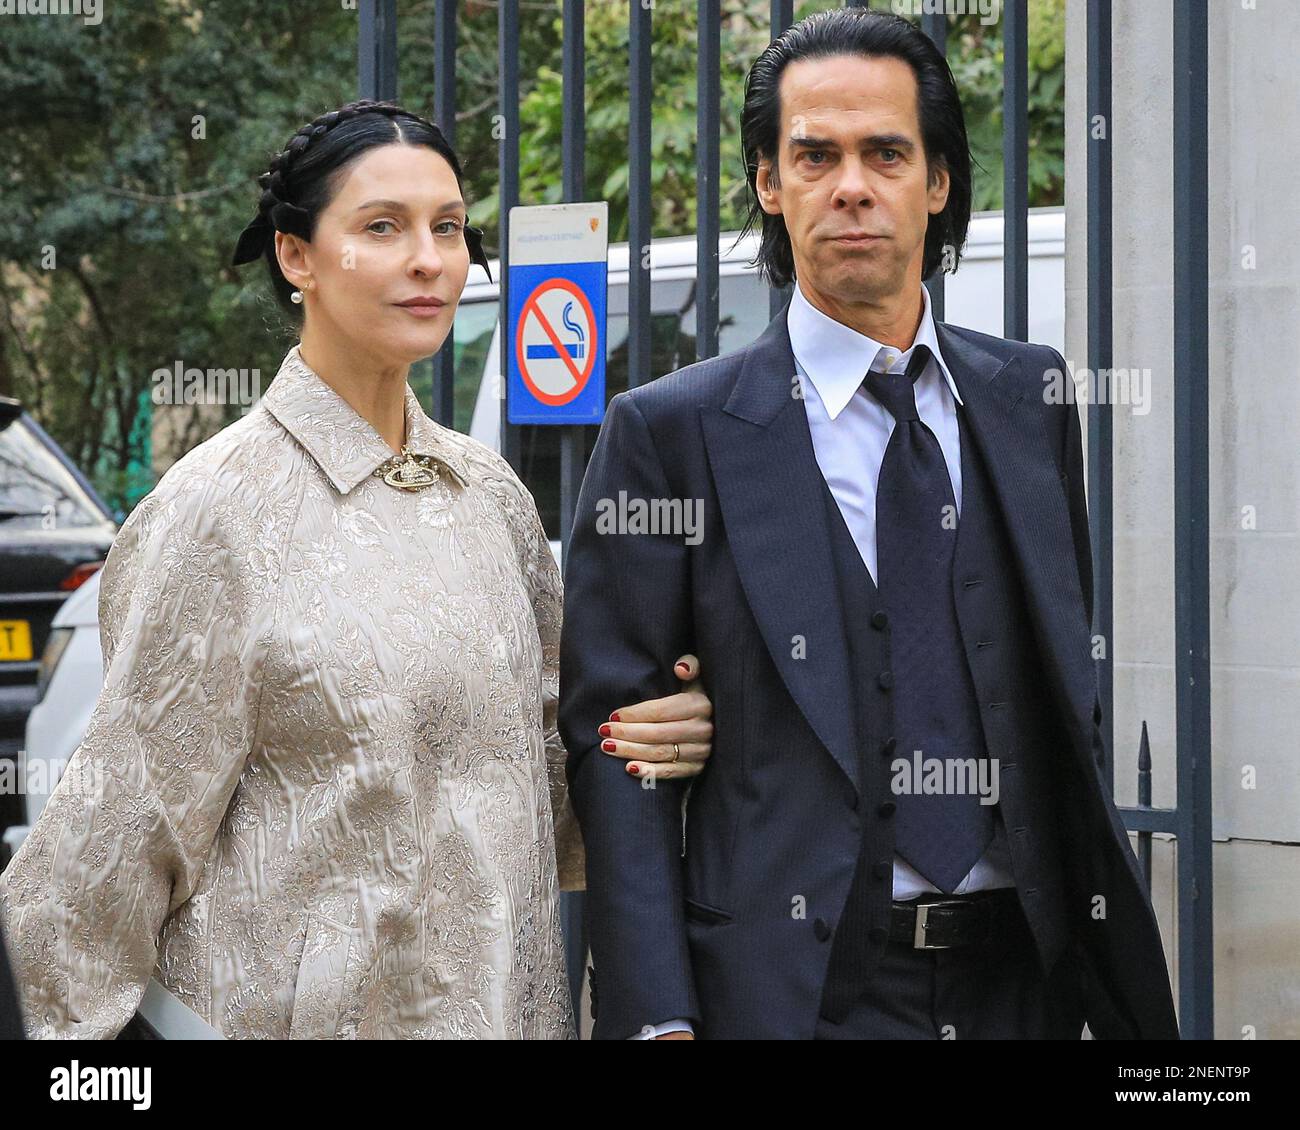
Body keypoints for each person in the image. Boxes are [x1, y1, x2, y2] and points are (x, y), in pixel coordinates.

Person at [0, 100, 715, 1040]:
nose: (429, 258)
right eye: (383, 227)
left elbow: (558, 769)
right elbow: (112, 845)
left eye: (449, 228)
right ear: (297, 257)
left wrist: (662, 731)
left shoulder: (489, 494)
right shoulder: (214, 508)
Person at [559, 9, 1179, 1040]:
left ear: (935, 182)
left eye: (886, 152)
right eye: (815, 154)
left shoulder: (1031, 398)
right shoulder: (667, 435)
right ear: (770, 182)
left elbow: (1054, 687)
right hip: (786, 997)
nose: (851, 185)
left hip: (1019, 987)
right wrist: (655, 1018)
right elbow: (614, 755)